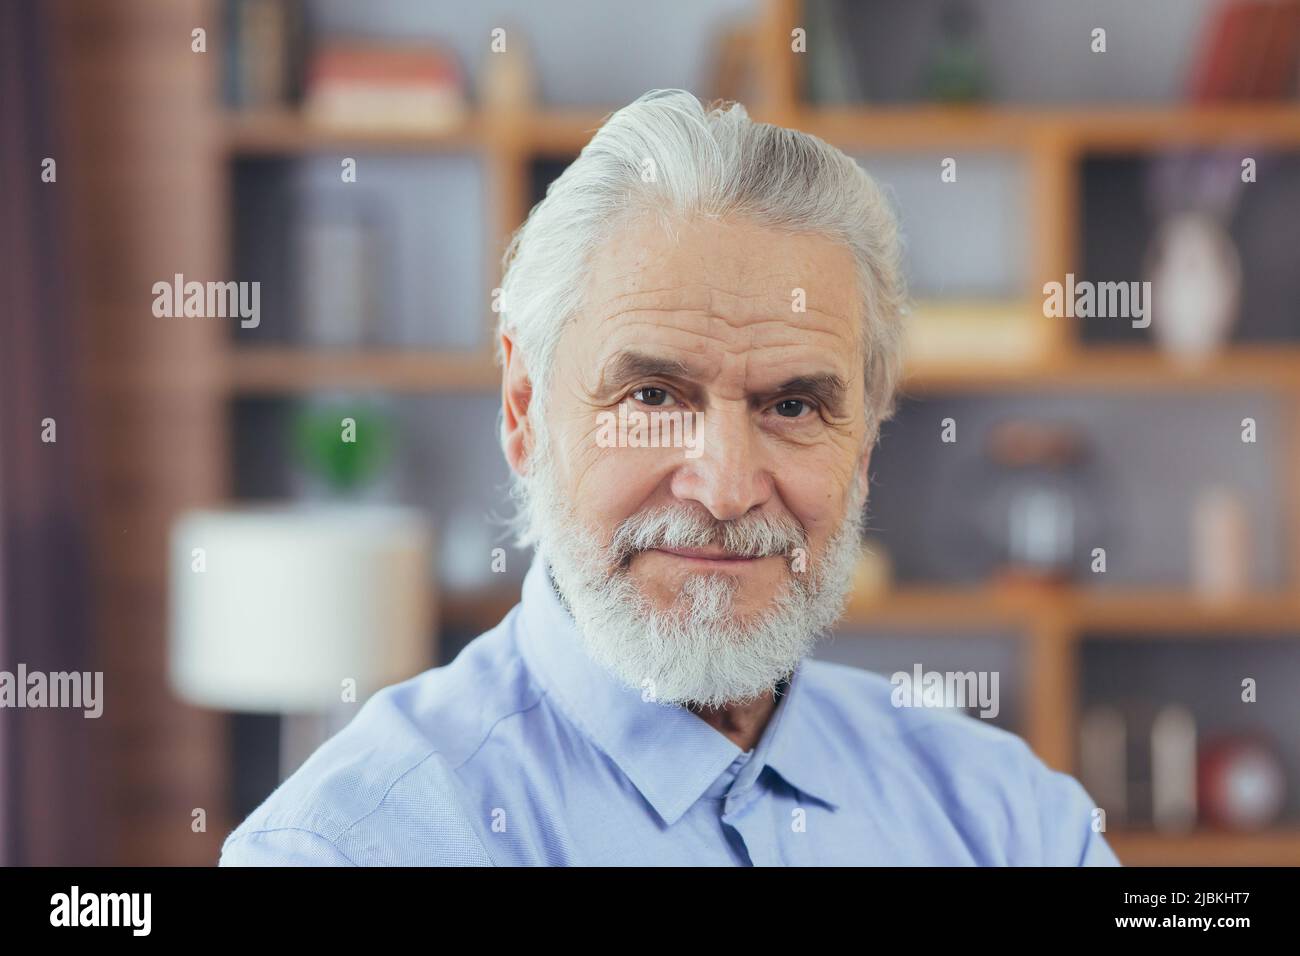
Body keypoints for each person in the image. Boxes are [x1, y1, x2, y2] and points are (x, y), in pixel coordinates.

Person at [220, 90, 1118, 866]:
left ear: (866, 450)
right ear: (525, 414)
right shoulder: (346, 847)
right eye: (652, 395)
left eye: (795, 407)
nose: (726, 488)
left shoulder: (1015, 823)